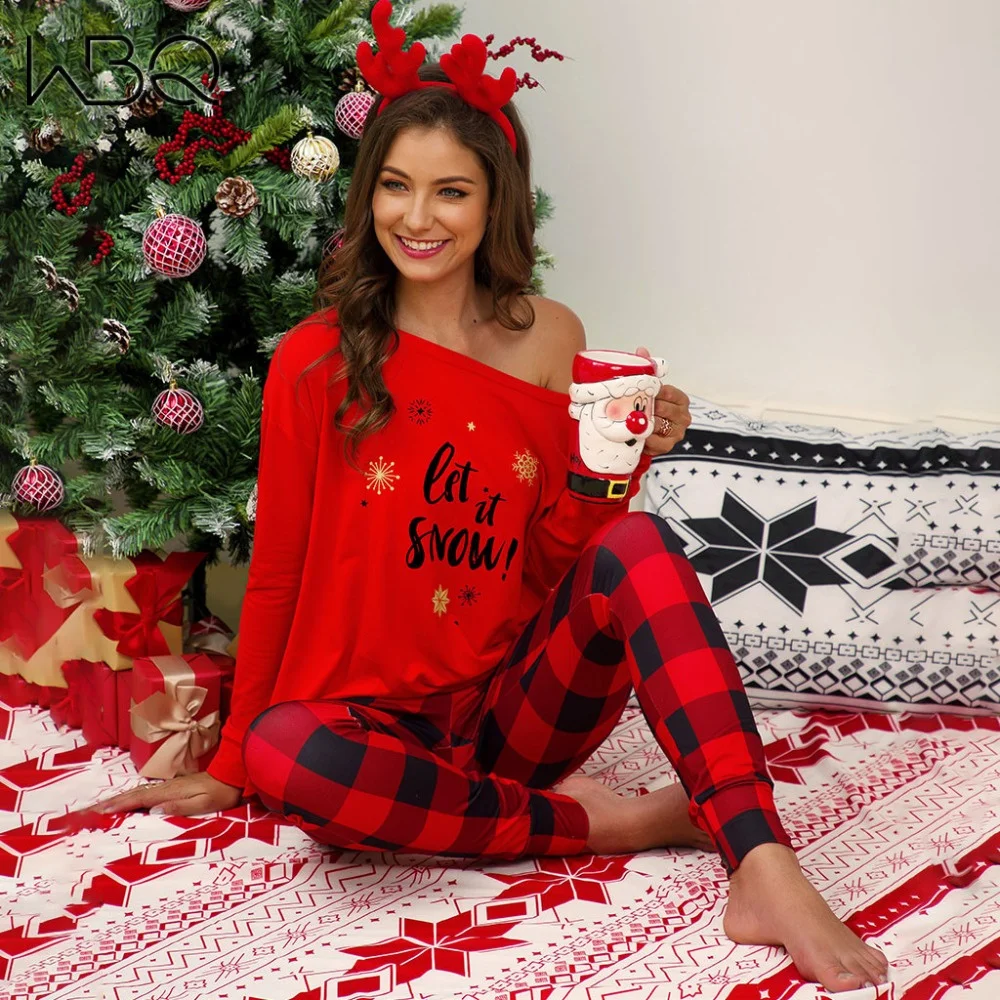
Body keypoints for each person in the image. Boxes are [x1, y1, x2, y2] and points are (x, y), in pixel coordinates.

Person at [92, 4, 889, 992]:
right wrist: (235, 762)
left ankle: (760, 859)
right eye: (395, 185)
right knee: (282, 751)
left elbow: (560, 558)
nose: (417, 217)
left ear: (494, 202)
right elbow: (278, 575)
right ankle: (609, 823)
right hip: (361, 732)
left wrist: (615, 460)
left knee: (639, 543)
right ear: (368, 195)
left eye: (451, 192)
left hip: (511, 718)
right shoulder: (312, 361)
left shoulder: (551, 338)